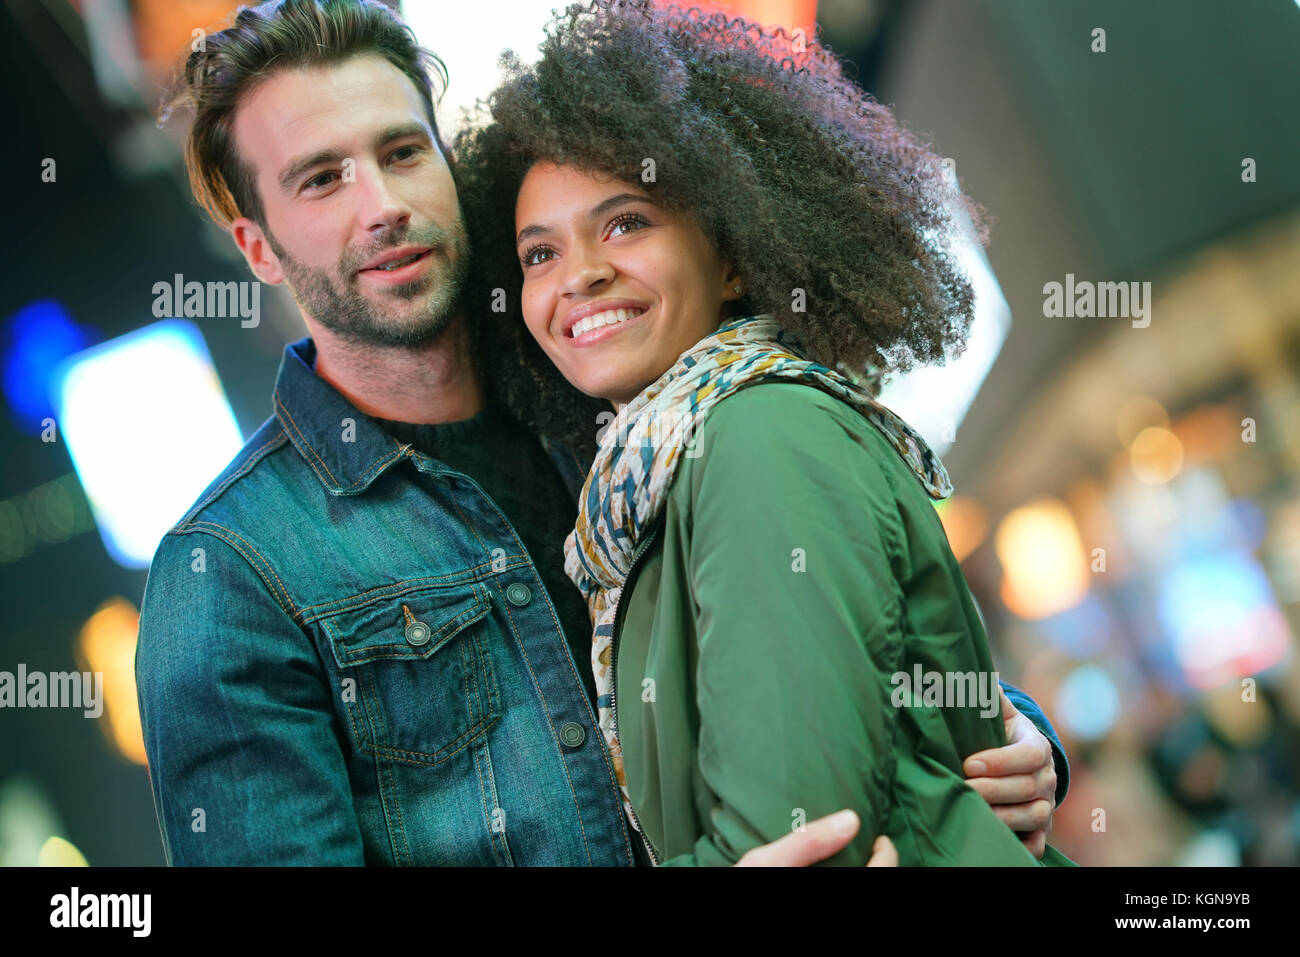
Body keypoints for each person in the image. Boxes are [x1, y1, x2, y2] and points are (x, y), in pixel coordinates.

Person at [134, 0, 1066, 865]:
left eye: (403, 152)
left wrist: (1000, 733)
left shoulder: (624, 415)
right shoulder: (231, 575)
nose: (380, 203)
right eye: (322, 178)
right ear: (259, 247)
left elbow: (810, 652)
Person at [453, 0, 1074, 864]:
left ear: (736, 250)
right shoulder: (661, 472)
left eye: (626, 222)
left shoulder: (756, 435)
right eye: (538, 254)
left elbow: (800, 828)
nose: (581, 275)